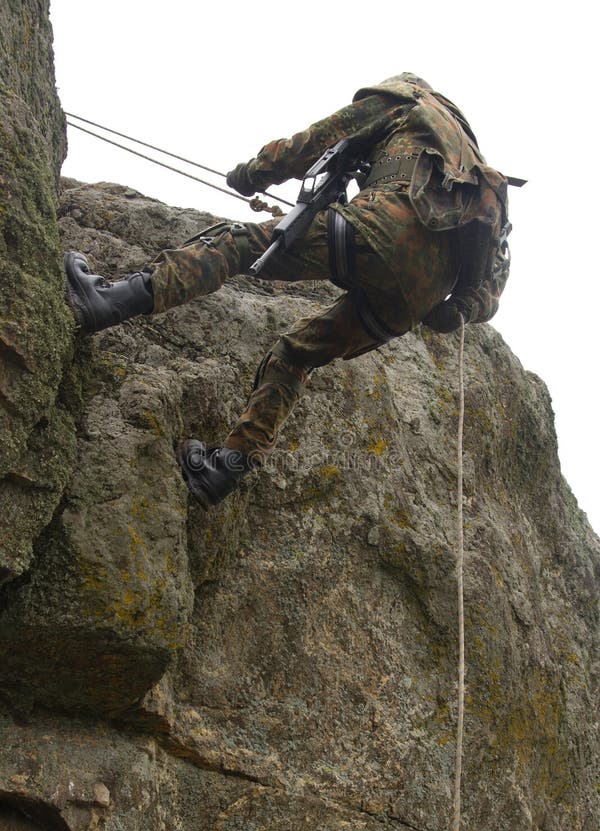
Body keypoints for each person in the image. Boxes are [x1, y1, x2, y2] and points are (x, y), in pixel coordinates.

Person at [64, 73, 511, 509]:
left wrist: (252, 174)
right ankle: (227, 467)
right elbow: (491, 282)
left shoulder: (407, 104)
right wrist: (453, 312)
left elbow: (315, 141)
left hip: (381, 230)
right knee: (297, 354)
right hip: (414, 301)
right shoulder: (473, 172)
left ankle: (107, 301)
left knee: (235, 245)